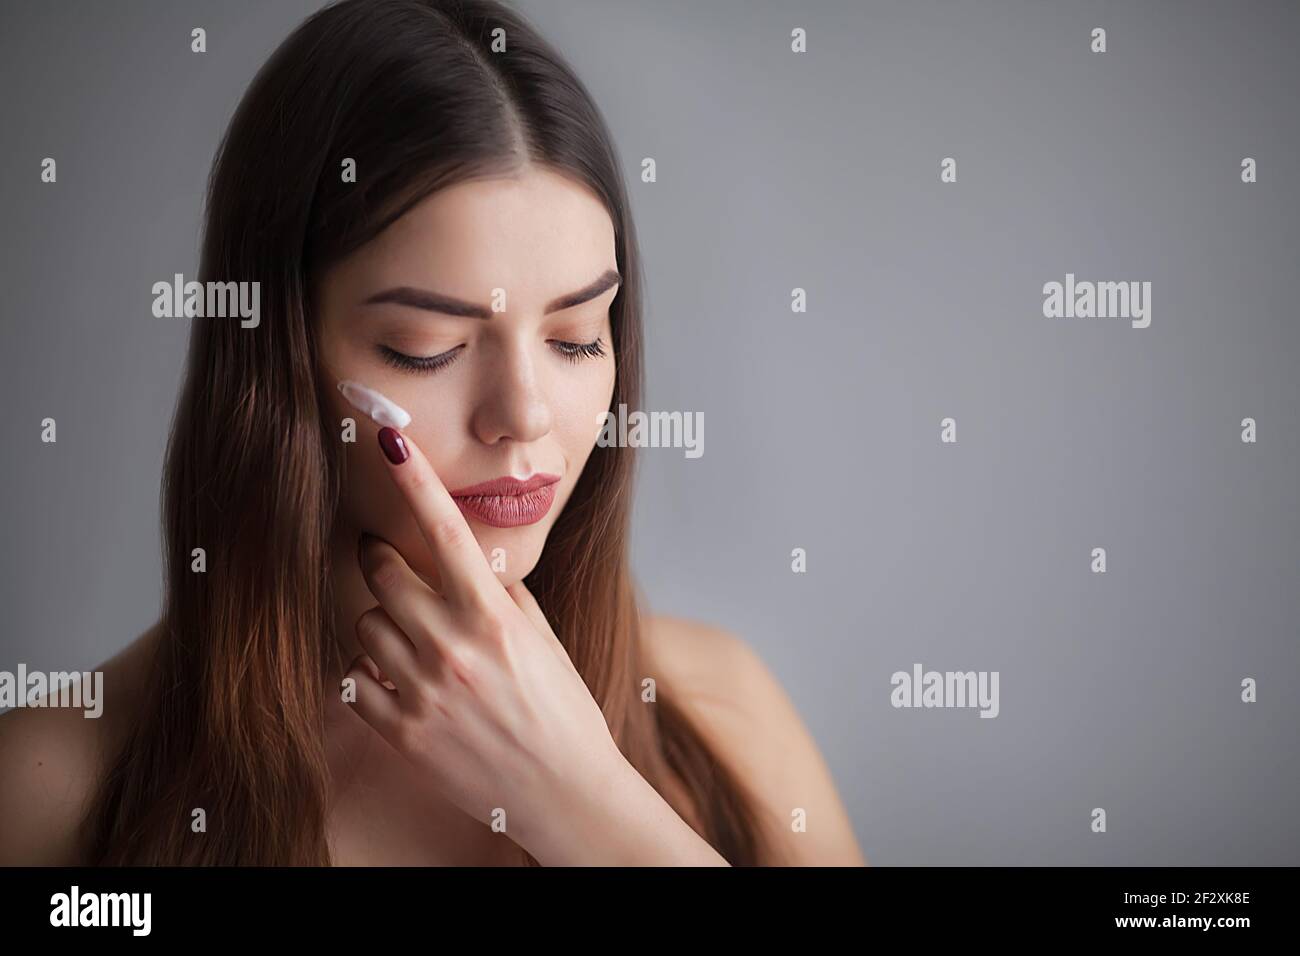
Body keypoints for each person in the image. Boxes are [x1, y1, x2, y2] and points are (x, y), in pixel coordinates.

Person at [0, 0, 865, 866]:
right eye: (429, 350)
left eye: (576, 338)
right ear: (276, 354)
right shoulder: (55, 783)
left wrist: (584, 805)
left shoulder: (726, 709)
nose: (524, 415)